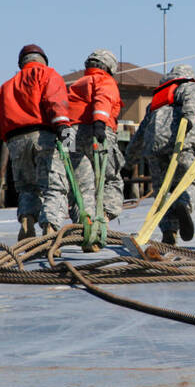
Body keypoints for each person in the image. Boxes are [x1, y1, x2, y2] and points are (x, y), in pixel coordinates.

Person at [0, 44, 75, 239]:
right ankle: (50, 231)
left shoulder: (5, 88)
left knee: (27, 188)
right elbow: (55, 100)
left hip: (16, 143)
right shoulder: (48, 74)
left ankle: (27, 221)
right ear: (43, 61)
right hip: (43, 137)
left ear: (21, 63)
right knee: (54, 186)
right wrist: (63, 126)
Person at [127, 64, 195, 245]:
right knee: (191, 184)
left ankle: (169, 231)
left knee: (162, 191)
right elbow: (191, 108)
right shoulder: (190, 86)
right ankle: (183, 205)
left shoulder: (157, 98)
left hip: (155, 147)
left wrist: (129, 159)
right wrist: (189, 123)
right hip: (181, 142)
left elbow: (140, 132)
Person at [65, 49, 125, 242]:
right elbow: (103, 98)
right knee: (110, 179)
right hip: (96, 131)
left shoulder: (75, 85)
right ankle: (104, 218)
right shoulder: (104, 80)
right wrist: (99, 122)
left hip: (71, 134)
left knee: (81, 183)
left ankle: (86, 224)